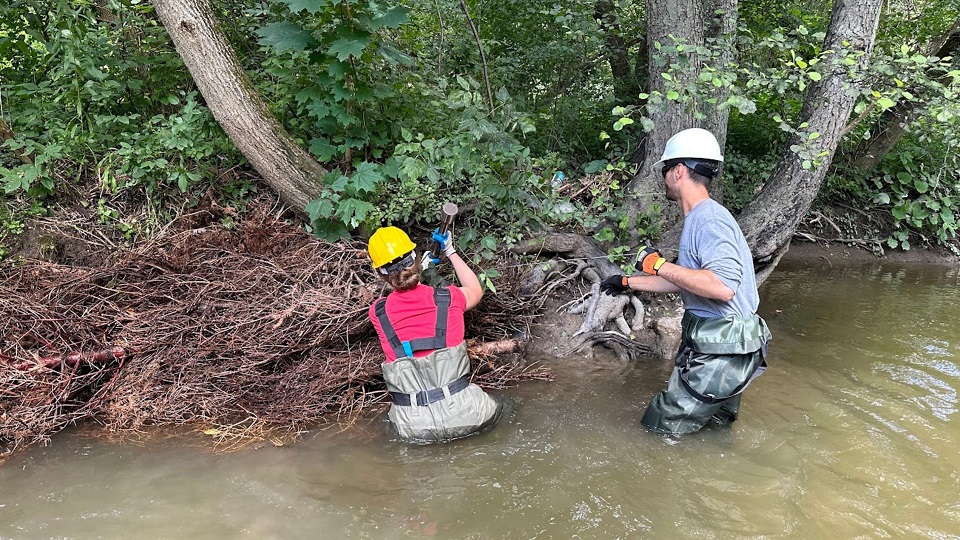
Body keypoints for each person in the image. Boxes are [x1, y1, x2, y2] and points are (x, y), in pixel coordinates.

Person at [599, 127, 772, 435]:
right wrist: (627, 282)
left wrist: (658, 264)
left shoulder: (709, 220)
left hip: (723, 349)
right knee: (713, 428)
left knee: (661, 428)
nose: (663, 176)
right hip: (726, 346)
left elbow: (721, 286)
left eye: (666, 169)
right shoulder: (700, 219)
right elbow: (687, 281)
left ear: (678, 171)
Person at [366, 225, 501, 443]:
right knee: (505, 407)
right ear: (416, 259)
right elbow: (475, 290)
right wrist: (450, 251)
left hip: (414, 427)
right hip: (468, 415)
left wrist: (416, 273)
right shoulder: (448, 298)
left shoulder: (378, 312)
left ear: (380, 273)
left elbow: (407, 296)